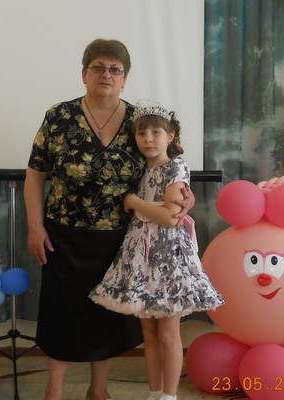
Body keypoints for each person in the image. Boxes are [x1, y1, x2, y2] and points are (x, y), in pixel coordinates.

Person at [24, 39, 195, 400]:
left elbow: (166, 165)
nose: (106, 74)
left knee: (106, 316)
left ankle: (98, 390)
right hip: (63, 235)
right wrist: (35, 226)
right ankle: (54, 391)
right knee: (61, 313)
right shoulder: (59, 116)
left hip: (120, 238)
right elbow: (36, 174)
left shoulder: (138, 121)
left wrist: (185, 194)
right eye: (98, 67)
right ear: (84, 74)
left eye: (115, 69)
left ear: (124, 78)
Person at [89, 99, 224, 400]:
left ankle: (169, 396)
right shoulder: (139, 170)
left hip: (167, 258)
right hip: (140, 255)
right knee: (148, 334)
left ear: (170, 136)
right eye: (142, 133)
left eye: (156, 132)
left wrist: (133, 201)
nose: (148, 139)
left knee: (167, 333)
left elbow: (169, 217)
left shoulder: (175, 167)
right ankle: (154, 393)